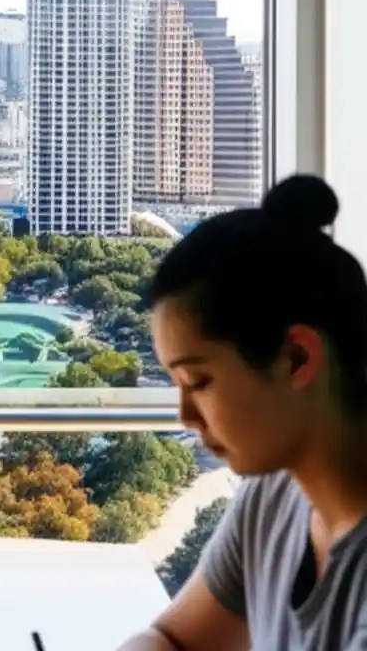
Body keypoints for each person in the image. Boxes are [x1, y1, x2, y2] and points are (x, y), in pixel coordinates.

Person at [119, 175, 367, 651]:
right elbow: (174, 639)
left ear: (295, 358)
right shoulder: (274, 497)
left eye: (198, 382)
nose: (186, 415)